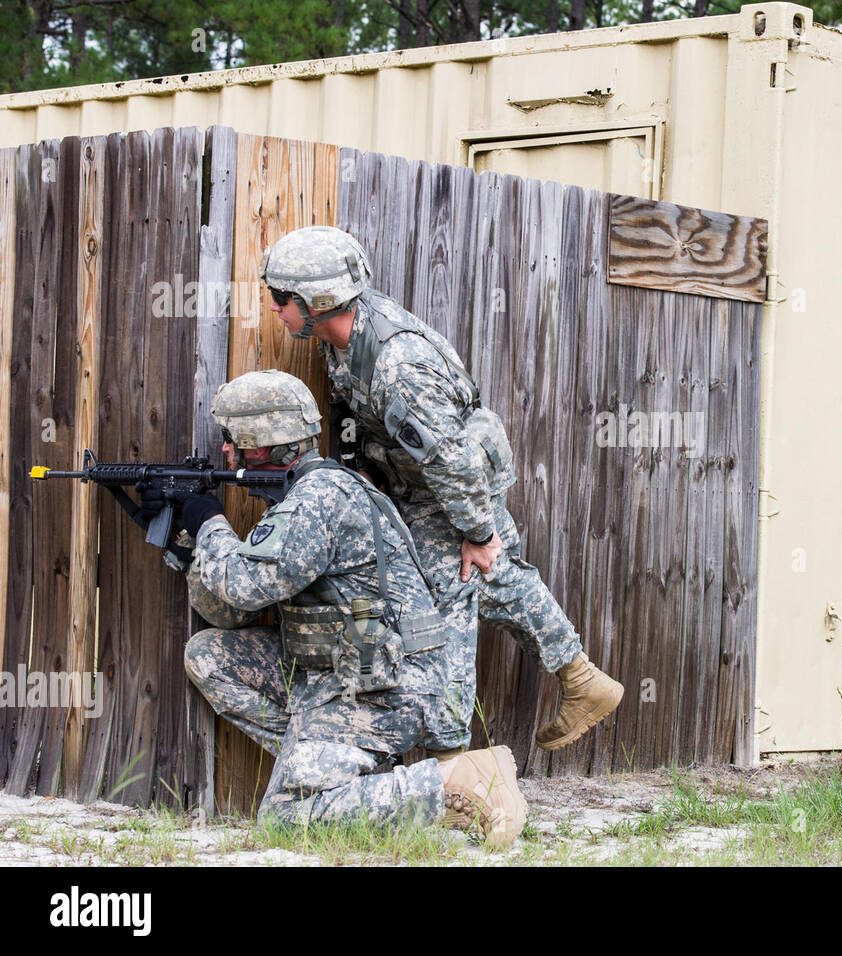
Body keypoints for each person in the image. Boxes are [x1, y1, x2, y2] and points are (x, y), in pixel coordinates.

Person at [260, 225, 623, 751]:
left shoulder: (398, 366)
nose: (274, 309)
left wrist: (477, 531)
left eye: (279, 298)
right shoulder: (342, 336)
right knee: (493, 582)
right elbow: (355, 411)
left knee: (447, 597)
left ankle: (452, 759)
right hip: (423, 478)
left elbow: (450, 462)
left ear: (317, 301)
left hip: (451, 486)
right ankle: (582, 680)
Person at [149, 368, 527, 847]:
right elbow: (229, 614)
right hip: (343, 671)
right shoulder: (300, 497)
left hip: (388, 685)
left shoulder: (319, 499)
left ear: (261, 442)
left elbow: (243, 586)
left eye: (231, 438)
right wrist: (184, 545)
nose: (225, 450)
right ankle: (358, 782)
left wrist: (209, 522)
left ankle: (456, 783)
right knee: (209, 655)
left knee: (285, 819)